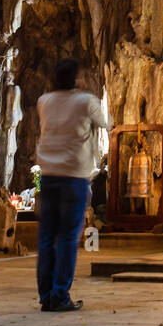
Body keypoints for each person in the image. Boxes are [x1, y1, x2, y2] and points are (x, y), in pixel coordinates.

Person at [35, 58, 102, 312]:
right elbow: (105, 121)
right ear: (76, 78)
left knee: (46, 238)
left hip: (48, 176)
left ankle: (46, 296)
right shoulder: (85, 101)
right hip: (73, 177)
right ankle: (60, 295)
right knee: (67, 238)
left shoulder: (44, 101)